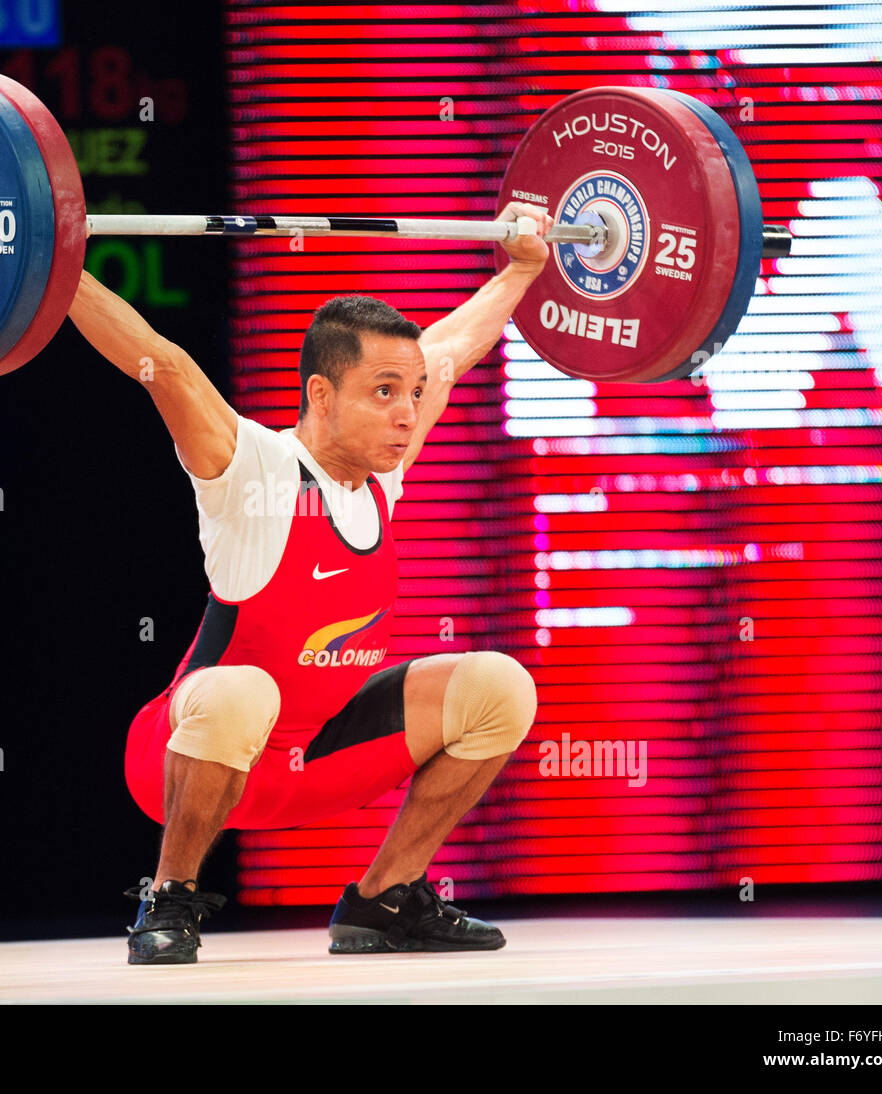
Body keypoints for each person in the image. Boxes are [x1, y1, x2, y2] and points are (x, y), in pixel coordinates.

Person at [68, 202, 550, 963]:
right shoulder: (249, 466)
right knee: (244, 690)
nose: (406, 413)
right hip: (184, 755)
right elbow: (156, 358)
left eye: (412, 395)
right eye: (384, 392)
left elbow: (452, 349)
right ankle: (168, 900)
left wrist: (521, 269)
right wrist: (53, 267)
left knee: (501, 686)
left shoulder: (382, 478)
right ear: (321, 397)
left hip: (314, 762)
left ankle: (385, 899)